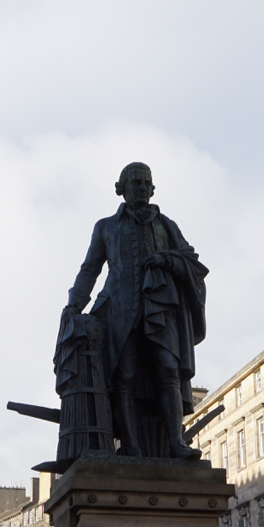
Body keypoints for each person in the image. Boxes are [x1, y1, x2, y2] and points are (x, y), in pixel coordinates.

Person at [59, 162, 208, 459]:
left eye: (145, 183)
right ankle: (132, 448)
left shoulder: (166, 225)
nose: (141, 188)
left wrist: (166, 260)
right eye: (135, 183)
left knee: (168, 371)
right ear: (122, 189)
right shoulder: (106, 227)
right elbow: (90, 269)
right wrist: (74, 304)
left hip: (159, 309)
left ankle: (175, 443)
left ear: (152, 188)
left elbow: (191, 260)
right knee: (123, 378)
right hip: (118, 311)